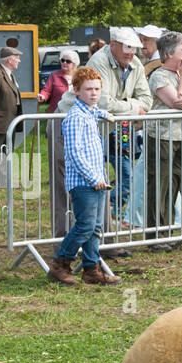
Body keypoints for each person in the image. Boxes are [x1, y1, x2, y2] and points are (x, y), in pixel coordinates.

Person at [46, 67, 120, 287]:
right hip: (84, 182)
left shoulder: (90, 111)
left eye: (97, 89)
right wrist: (92, 177)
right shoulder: (75, 117)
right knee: (85, 226)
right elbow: (75, 153)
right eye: (88, 89)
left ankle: (91, 269)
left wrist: (106, 114)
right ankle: (60, 263)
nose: (94, 93)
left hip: (97, 181)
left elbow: (95, 110)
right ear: (76, 91)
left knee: (96, 227)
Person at [87, 27, 153, 222]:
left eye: (134, 48)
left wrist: (125, 108)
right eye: (127, 48)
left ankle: (111, 210)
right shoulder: (99, 62)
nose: (131, 53)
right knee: (93, 182)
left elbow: (147, 100)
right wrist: (134, 107)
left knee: (126, 174)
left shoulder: (135, 63)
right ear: (113, 45)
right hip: (88, 128)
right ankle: (78, 237)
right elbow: (103, 102)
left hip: (120, 127)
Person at [145, 31, 182, 249]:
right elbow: (178, 102)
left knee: (175, 184)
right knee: (159, 184)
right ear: (170, 53)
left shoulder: (181, 76)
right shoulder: (160, 76)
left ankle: (167, 231)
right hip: (161, 137)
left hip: (181, 137)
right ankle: (155, 236)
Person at [0, 46, 24, 197]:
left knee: (6, 152)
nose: (19, 61)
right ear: (9, 60)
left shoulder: (10, 75)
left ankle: (3, 180)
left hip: (10, 120)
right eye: (17, 58)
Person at [38, 48, 78, 114]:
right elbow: (46, 90)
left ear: (74, 64)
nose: (64, 63)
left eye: (68, 61)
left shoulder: (79, 77)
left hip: (74, 113)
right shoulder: (54, 76)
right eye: (62, 60)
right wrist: (42, 96)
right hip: (56, 113)